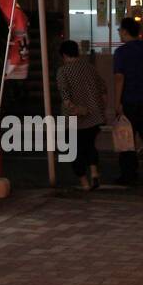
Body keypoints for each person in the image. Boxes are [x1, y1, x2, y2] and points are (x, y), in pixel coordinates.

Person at [113, 16, 143, 185]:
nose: (119, 33)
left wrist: (117, 102)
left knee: (127, 140)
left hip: (130, 102)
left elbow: (119, 78)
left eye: (119, 30)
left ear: (125, 32)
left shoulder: (121, 52)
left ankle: (129, 174)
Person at [56, 40, 105, 190]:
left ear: (64, 55)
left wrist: (76, 108)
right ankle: (94, 173)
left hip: (73, 119)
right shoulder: (90, 67)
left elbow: (65, 96)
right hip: (93, 117)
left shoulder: (63, 71)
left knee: (74, 150)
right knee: (89, 145)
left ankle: (84, 183)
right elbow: (103, 88)